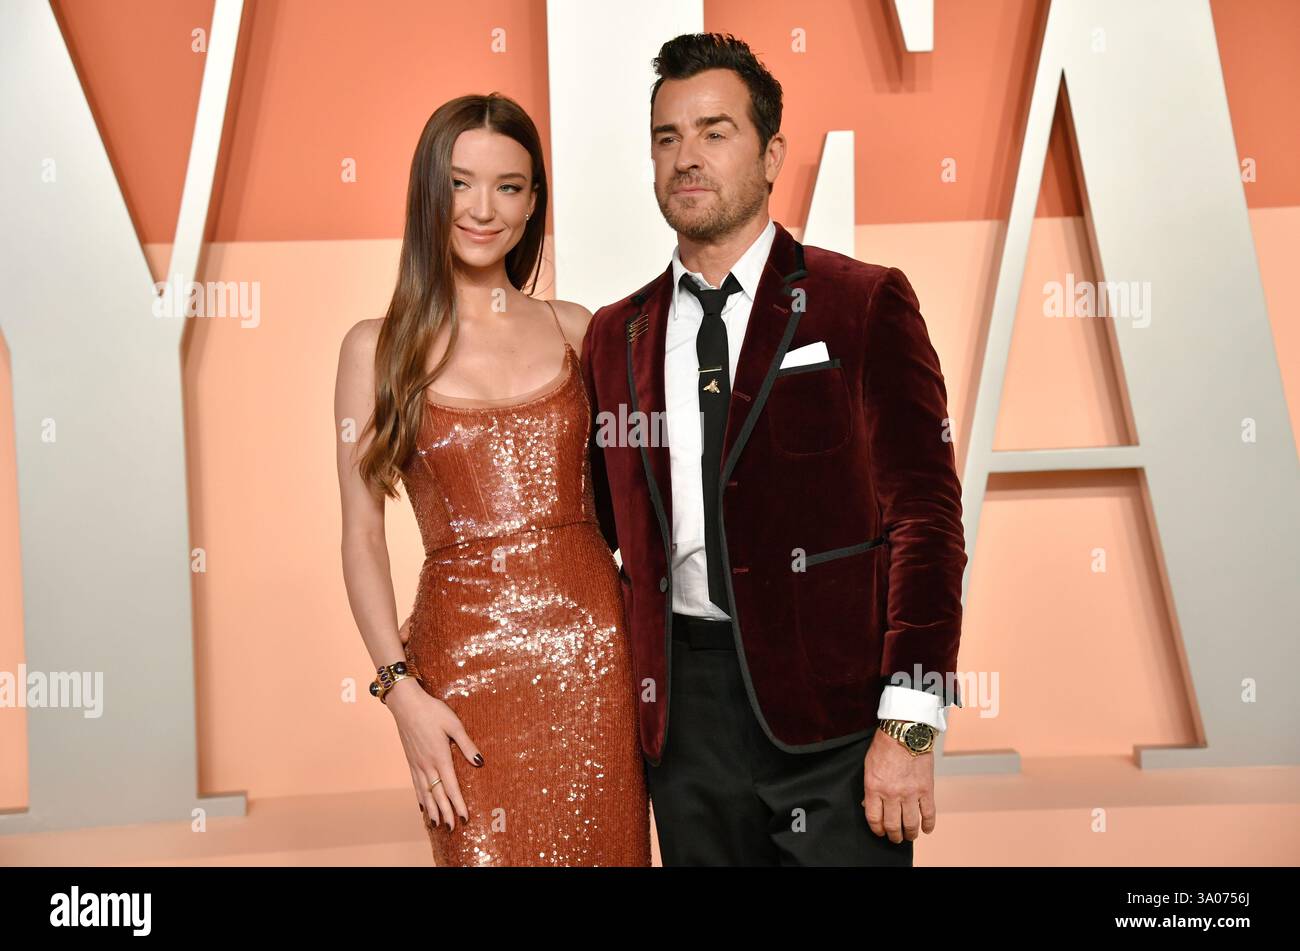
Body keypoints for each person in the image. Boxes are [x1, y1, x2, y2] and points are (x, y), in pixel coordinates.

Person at [580, 34, 969, 865]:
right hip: (682, 732)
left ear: (771, 154)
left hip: (837, 725)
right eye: (667, 137)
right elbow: (605, 532)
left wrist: (911, 722)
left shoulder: (861, 302)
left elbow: (928, 523)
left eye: (715, 132)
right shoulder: (616, 335)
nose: (687, 158)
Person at [334, 93, 650, 866]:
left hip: (595, 666)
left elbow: (645, 507)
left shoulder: (579, 329)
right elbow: (361, 534)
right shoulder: (374, 351)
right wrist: (399, 692)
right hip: (459, 676)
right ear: (427, 192)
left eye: (509, 186)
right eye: (460, 182)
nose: (482, 208)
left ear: (534, 200)